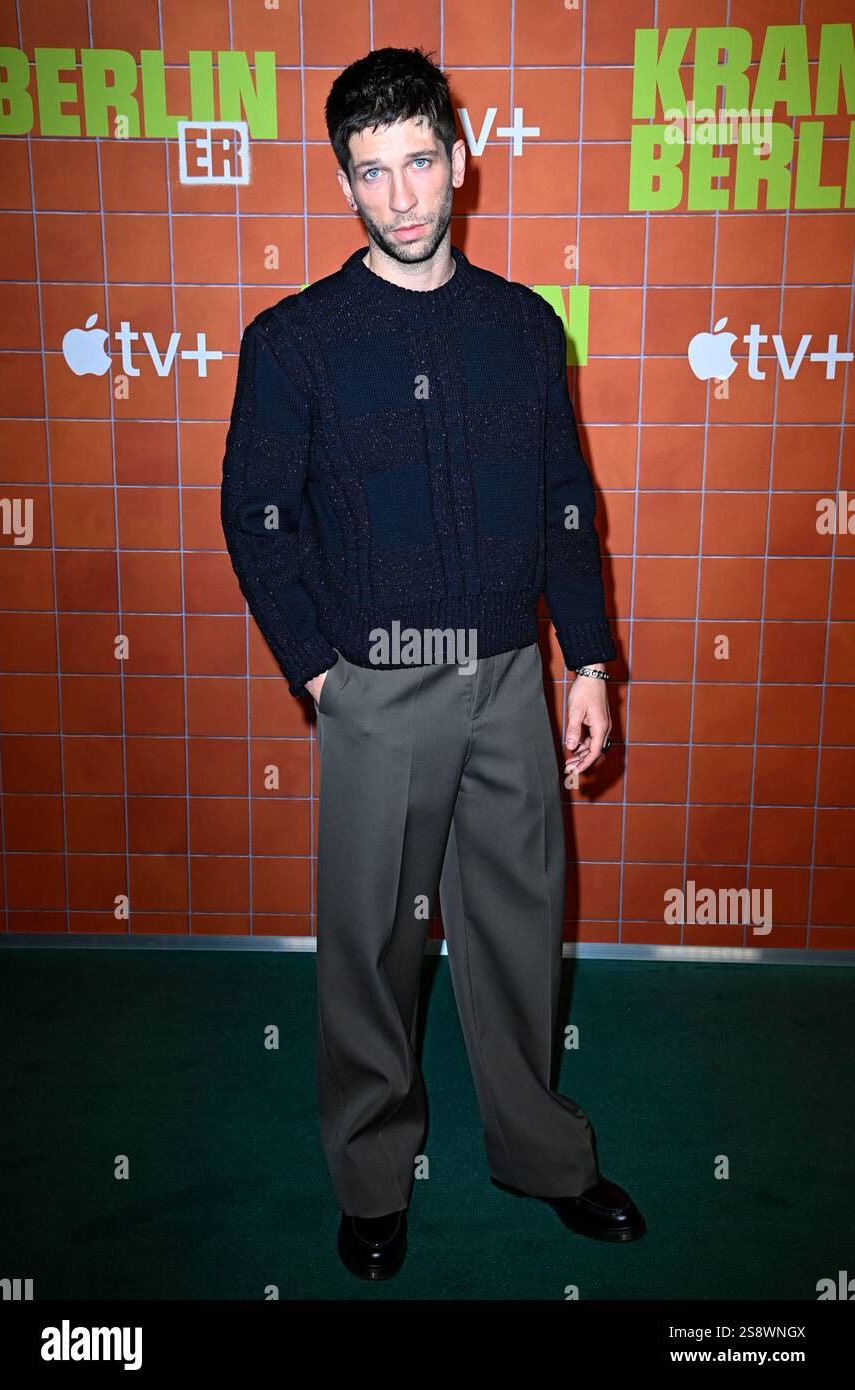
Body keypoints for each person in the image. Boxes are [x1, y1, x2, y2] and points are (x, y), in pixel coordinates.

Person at [221, 45, 645, 1281]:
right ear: (344, 183)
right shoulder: (295, 340)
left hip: (514, 672)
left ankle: (544, 1157)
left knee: (521, 934)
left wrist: (589, 663)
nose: (402, 196)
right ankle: (370, 1173)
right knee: (370, 947)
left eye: (420, 162)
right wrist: (319, 670)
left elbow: (570, 502)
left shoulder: (523, 326)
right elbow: (258, 517)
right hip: (374, 685)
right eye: (373, 173)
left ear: (460, 162)